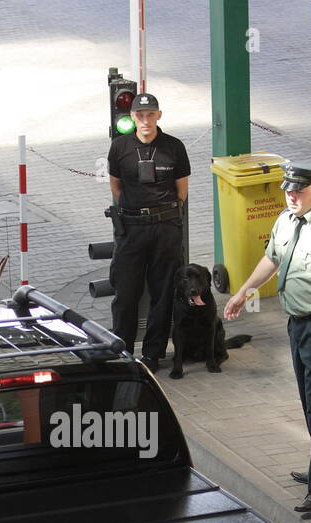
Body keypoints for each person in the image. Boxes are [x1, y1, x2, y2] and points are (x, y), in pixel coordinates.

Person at [224, 162, 311, 517]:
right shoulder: (286, 219)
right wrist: (243, 292)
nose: (292, 196)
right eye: (288, 190)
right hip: (297, 324)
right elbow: (272, 260)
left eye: (299, 190)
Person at [107, 91, 190, 370]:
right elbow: (116, 186)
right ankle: (123, 351)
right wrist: (134, 212)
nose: (145, 121)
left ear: (159, 116)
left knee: (163, 292)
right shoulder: (120, 148)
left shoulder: (174, 147)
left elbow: (182, 189)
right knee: (126, 293)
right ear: (132, 117)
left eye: (150, 115)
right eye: (140, 115)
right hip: (131, 229)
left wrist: (166, 213)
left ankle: (153, 354)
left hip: (165, 228)